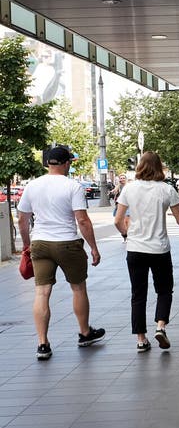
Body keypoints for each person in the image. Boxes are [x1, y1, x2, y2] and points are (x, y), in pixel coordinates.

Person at [16, 145, 105, 361]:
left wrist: (27, 244)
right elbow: (82, 220)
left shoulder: (32, 186)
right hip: (67, 243)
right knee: (78, 288)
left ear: (48, 164)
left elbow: (22, 219)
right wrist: (93, 247)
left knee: (42, 293)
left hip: (40, 243)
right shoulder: (72, 186)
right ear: (66, 163)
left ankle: (43, 344)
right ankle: (85, 333)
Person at [113, 151, 179, 352]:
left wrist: (127, 235)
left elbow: (118, 220)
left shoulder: (129, 189)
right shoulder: (167, 190)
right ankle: (160, 326)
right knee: (164, 289)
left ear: (140, 166)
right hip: (160, 248)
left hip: (135, 248)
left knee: (138, 294)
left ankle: (141, 339)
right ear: (159, 167)